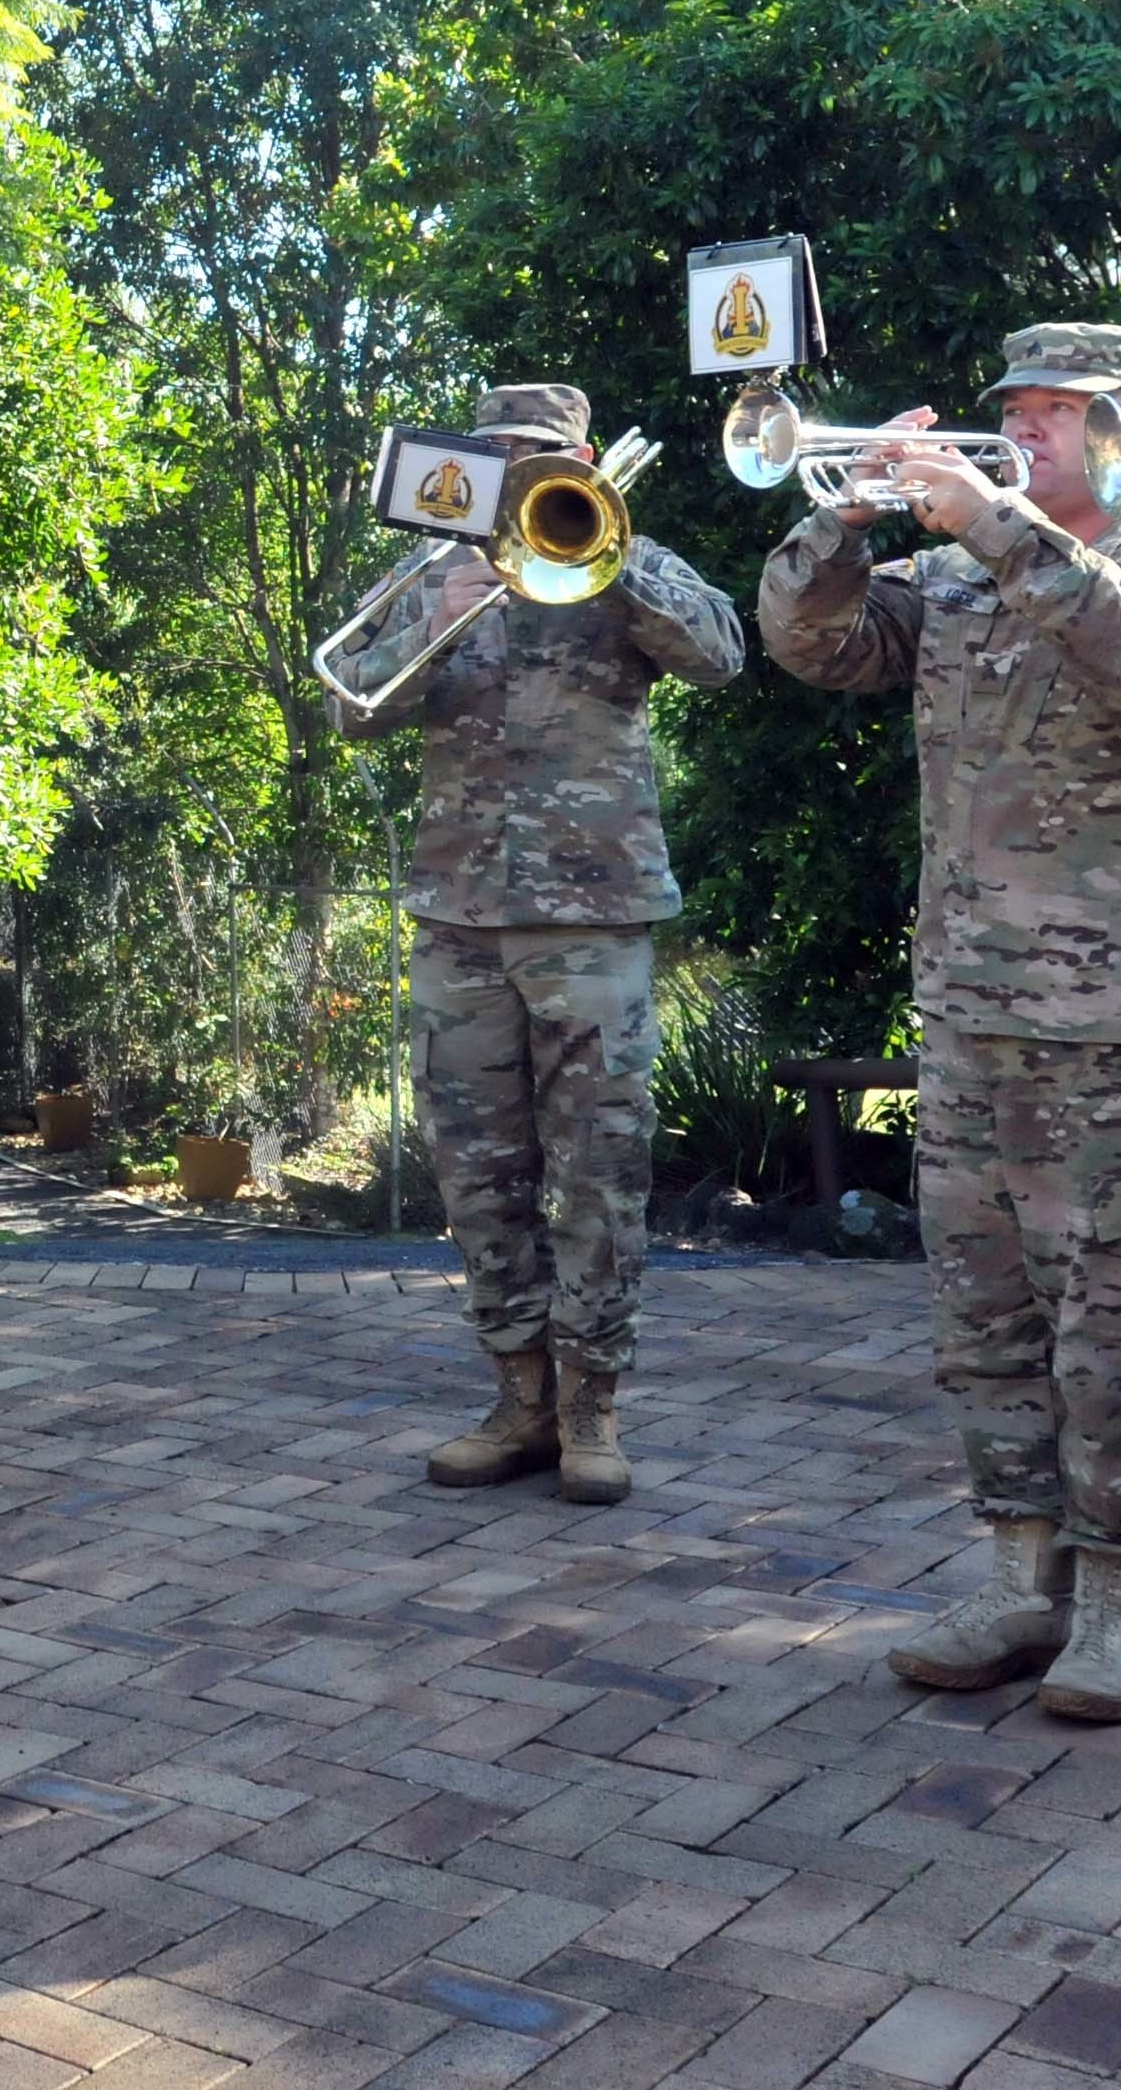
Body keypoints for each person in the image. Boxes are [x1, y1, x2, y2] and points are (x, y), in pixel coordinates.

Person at [757, 324, 1121, 1722]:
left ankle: (1120, 1602)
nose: (1027, 431)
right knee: (983, 1320)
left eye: (1060, 412)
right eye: (1014, 412)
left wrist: (997, 525)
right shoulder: (947, 582)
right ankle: (1019, 1577)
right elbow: (807, 643)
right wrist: (846, 519)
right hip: (972, 1016)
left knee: (1115, 1332)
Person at [330, 383, 746, 1504]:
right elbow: (347, 705)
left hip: (595, 920)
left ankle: (593, 1405)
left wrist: (618, 560)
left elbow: (723, 654)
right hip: (459, 919)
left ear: (584, 457)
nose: (519, 473)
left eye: (542, 456)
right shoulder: (433, 569)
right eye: (502, 454)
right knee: (478, 1173)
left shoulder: (620, 548)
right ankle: (518, 1396)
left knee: (601, 1172)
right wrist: (432, 615)